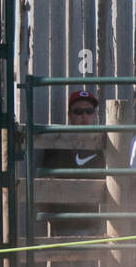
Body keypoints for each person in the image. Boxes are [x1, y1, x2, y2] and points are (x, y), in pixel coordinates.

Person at [39, 89, 105, 238]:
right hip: (65, 225)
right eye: (78, 111)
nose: (84, 116)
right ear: (69, 115)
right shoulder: (57, 145)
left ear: (94, 114)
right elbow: (44, 185)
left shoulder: (102, 146)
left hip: (95, 225)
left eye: (89, 111)